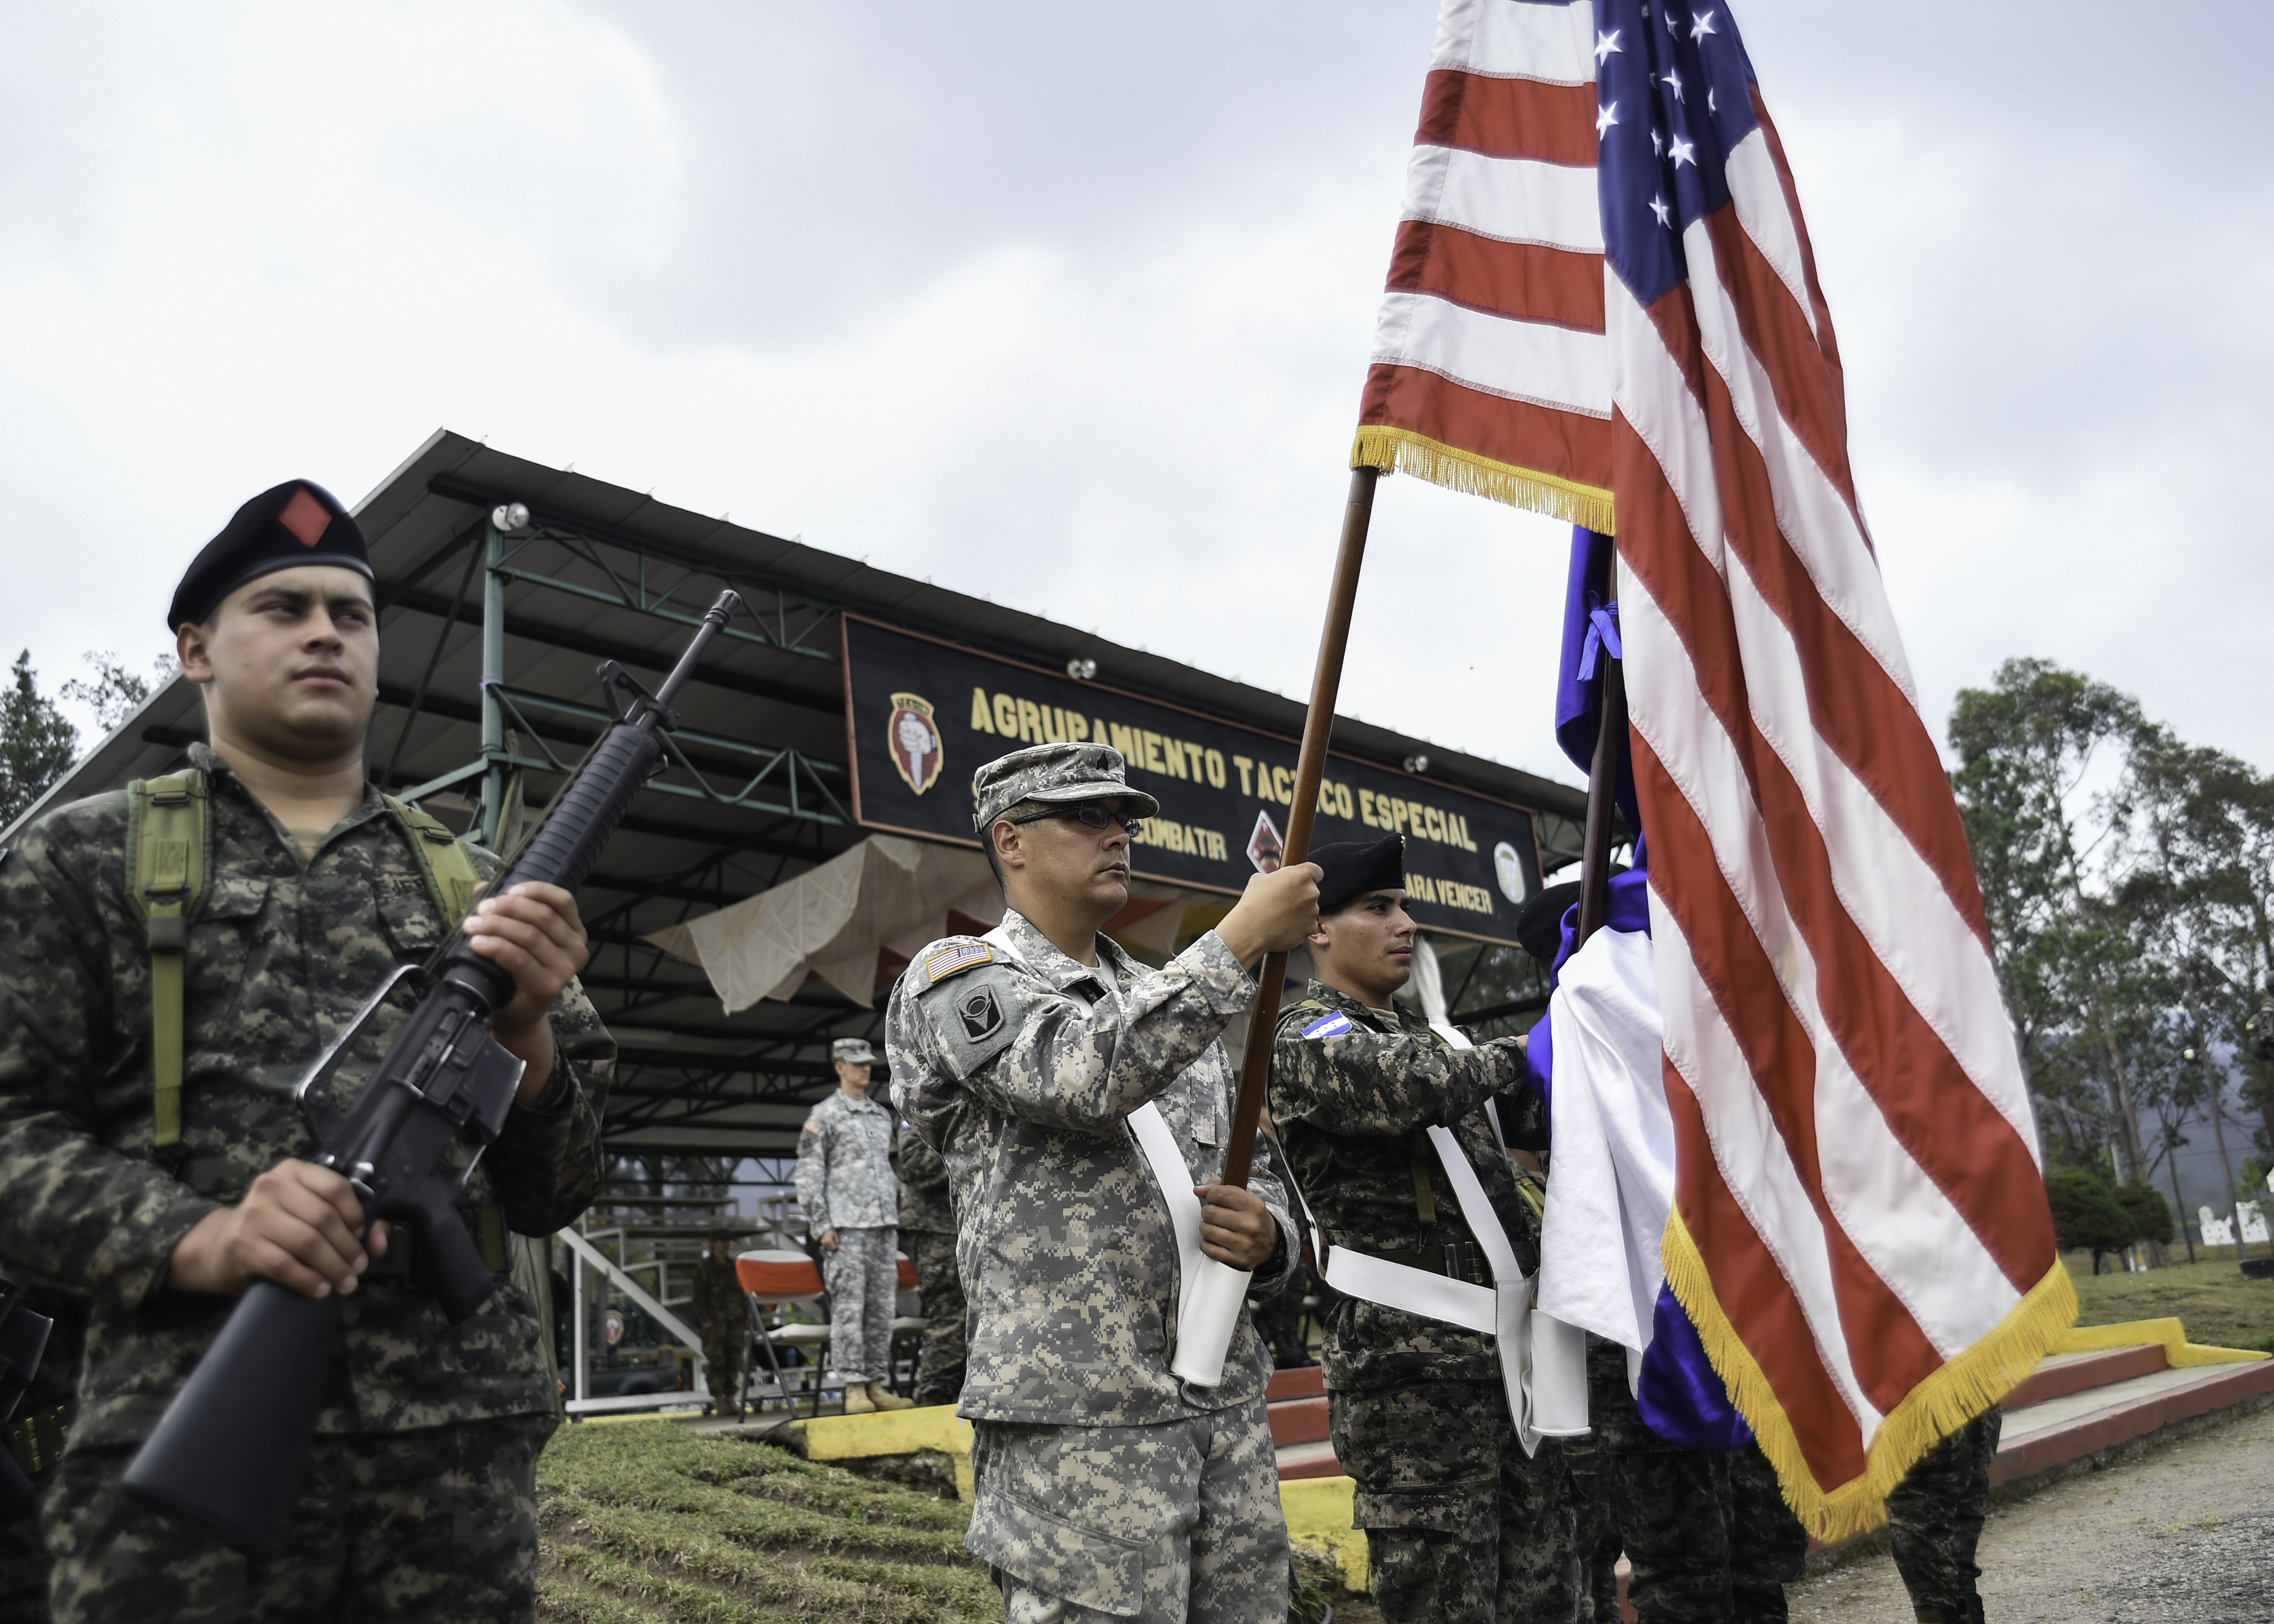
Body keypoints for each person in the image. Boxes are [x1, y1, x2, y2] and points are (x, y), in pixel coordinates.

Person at [0, 480, 614, 1623]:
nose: (326, 631)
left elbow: (559, 1191)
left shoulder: (476, 890)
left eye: (353, 613)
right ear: (196, 649)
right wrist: (202, 1235)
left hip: (451, 1453)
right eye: (282, 608)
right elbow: (11, 1138)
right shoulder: (79, 864)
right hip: (172, 1424)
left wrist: (527, 1026)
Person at [886, 741, 1320, 1624]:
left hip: (1220, 1402)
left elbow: (1259, 1167)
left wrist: (1269, 1235)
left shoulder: (1165, 997)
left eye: (1124, 818)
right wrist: (1237, 938)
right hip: (1078, 1423)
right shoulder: (958, 978)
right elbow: (1079, 1075)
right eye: (1087, 817)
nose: (1117, 834)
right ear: (1010, 841)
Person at [1264, 834, 1575, 1622]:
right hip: (1415, 1387)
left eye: (1404, 906)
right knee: (1444, 1604)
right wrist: (1536, 1045)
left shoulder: (1442, 1044)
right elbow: (1410, 1088)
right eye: (1378, 908)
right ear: (1317, 930)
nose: (1405, 923)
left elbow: (1535, 1124)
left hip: (1514, 1368)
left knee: (1544, 1598)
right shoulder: (1307, 1038)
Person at [796, 1038, 912, 1415]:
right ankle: (852, 1386)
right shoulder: (824, 1116)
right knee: (849, 1309)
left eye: (867, 1063)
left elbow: (895, 1170)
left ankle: (876, 1382)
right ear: (839, 1067)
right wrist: (820, 1224)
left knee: (880, 1309)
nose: (865, 1068)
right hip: (845, 1228)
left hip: (882, 1225)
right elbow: (810, 1172)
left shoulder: (881, 1117)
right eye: (856, 1063)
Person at [1885, 1406, 2000, 1624]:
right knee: (1961, 1503)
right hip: (1961, 1384)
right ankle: (1964, 1612)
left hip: (1915, 1395)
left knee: (1918, 1506)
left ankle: (1948, 1611)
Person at [891, 1117, 966, 1406]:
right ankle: (936, 1395)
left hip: (974, 1224)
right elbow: (914, 1167)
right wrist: (970, 1156)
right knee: (951, 1314)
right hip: (939, 1229)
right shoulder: (922, 1104)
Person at [689, 1227, 747, 1419]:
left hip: (735, 1319)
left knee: (734, 1358)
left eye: (727, 1240)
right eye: (722, 1241)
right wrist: (706, 1319)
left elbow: (742, 1293)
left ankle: (731, 1398)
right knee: (717, 1361)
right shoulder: (705, 1267)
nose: (725, 1244)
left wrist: (746, 1317)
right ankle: (720, 1400)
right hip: (716, 1321)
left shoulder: (734, 1266)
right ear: (713, 1243)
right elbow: (699, 1296)